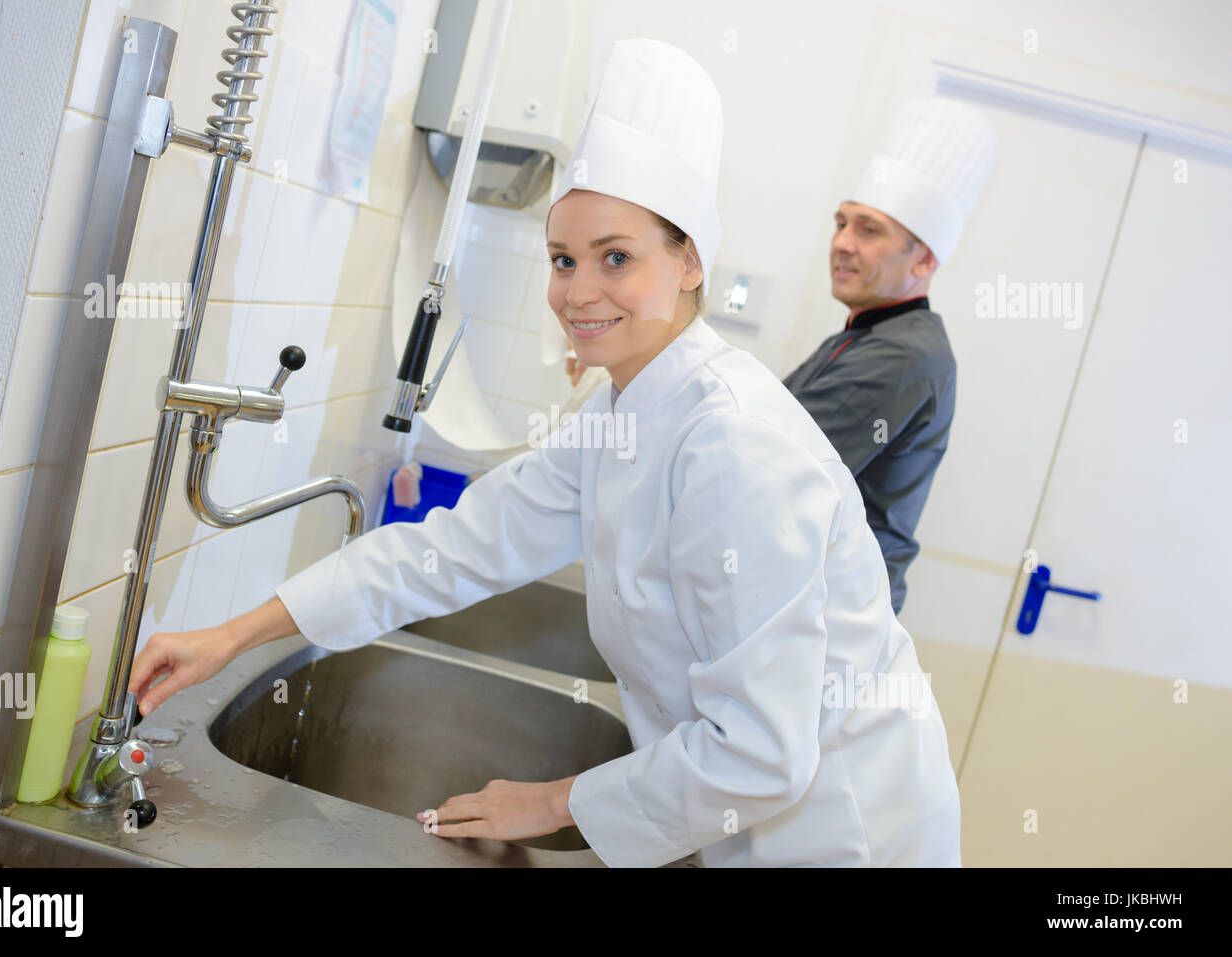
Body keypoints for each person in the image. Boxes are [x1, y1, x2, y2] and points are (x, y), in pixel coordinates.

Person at [129, 38, 960, 867]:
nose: (578, 291)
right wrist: (233, 635)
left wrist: (556, 799)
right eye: (563, 259)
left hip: (850, 833)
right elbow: (451, 549)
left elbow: (764, 753)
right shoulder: (625, 409)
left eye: (617, 258)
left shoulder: (737, 443)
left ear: (689, 261)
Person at [782, 97, 997, 614]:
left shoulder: (904, 356)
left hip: (830, 618)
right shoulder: (865, 333)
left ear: (924, 259)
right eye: (841, 222)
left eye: (868, 230)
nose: (841, 243)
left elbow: (771, 465)